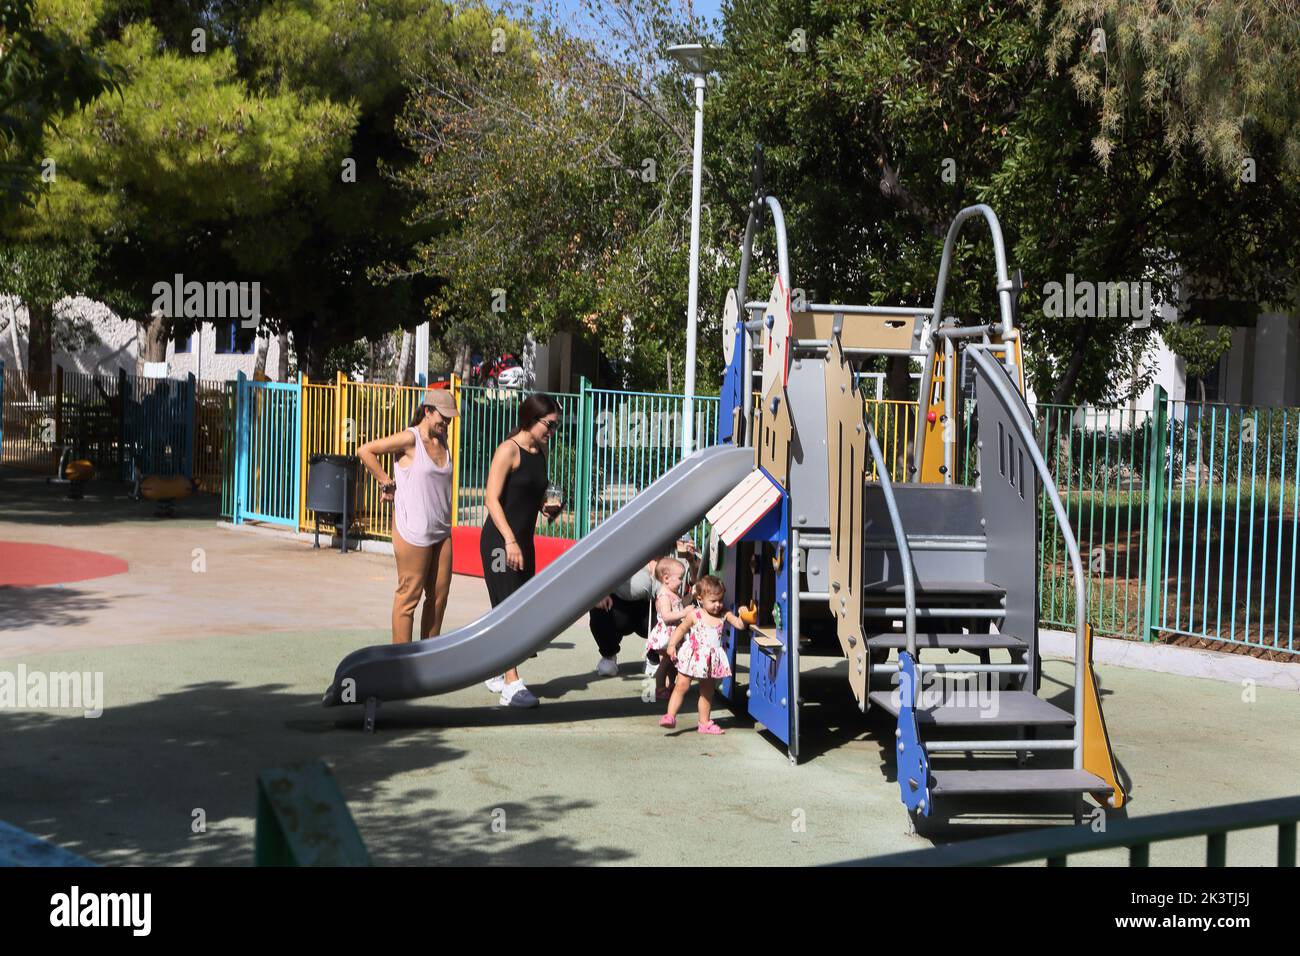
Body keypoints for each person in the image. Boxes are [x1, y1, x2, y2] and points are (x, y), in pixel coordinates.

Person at [479, 392, 562, 708]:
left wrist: (545, 507)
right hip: (501, 543)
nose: (551, 432)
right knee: (509, 607)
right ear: (532, 418)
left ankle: (496, 668)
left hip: (524, 541)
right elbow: (492, 499)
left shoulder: (540, 449)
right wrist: (510, 540)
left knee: (521, 606)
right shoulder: (507, 451)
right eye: (549, 425)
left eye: (554, 426)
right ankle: (511, 684)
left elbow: (530, 491)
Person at [356, 387, 457, 644]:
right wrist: (385, 481)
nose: (445, 423)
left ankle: (428, 655)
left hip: (441, 531)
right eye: (442, 417)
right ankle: (400, 661)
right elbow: (365, 450)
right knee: (408, 597)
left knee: (439, 596)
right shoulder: (410, 439)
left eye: (449, 419)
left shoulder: (442, 440)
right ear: (427, 411)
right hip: (413, 532)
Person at [659, 575, 749, 734]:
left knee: (707, 692)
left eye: (720, 600)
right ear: (700, 599)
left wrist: (744, 615)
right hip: (693, 656)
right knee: (681, 685)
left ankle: (704, 722)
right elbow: (681, 629)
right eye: (713, 601)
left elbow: (740, 625)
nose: (718, 605)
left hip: (710, 661)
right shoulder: (695, 614)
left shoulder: (724, 614)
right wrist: (672, 644)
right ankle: (670, 715)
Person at [644, 557, 691, 700]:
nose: (681, 582)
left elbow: (680, 603)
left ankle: (672, 684)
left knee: (672, 662)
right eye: (680, 578)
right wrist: (684, 613)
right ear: (666, 578)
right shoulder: (664, 595)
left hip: (673, 634)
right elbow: (666, 616)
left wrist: (690, 597)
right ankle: (659, 687)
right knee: (665, 662)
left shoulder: (672, 593)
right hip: (667, 635)